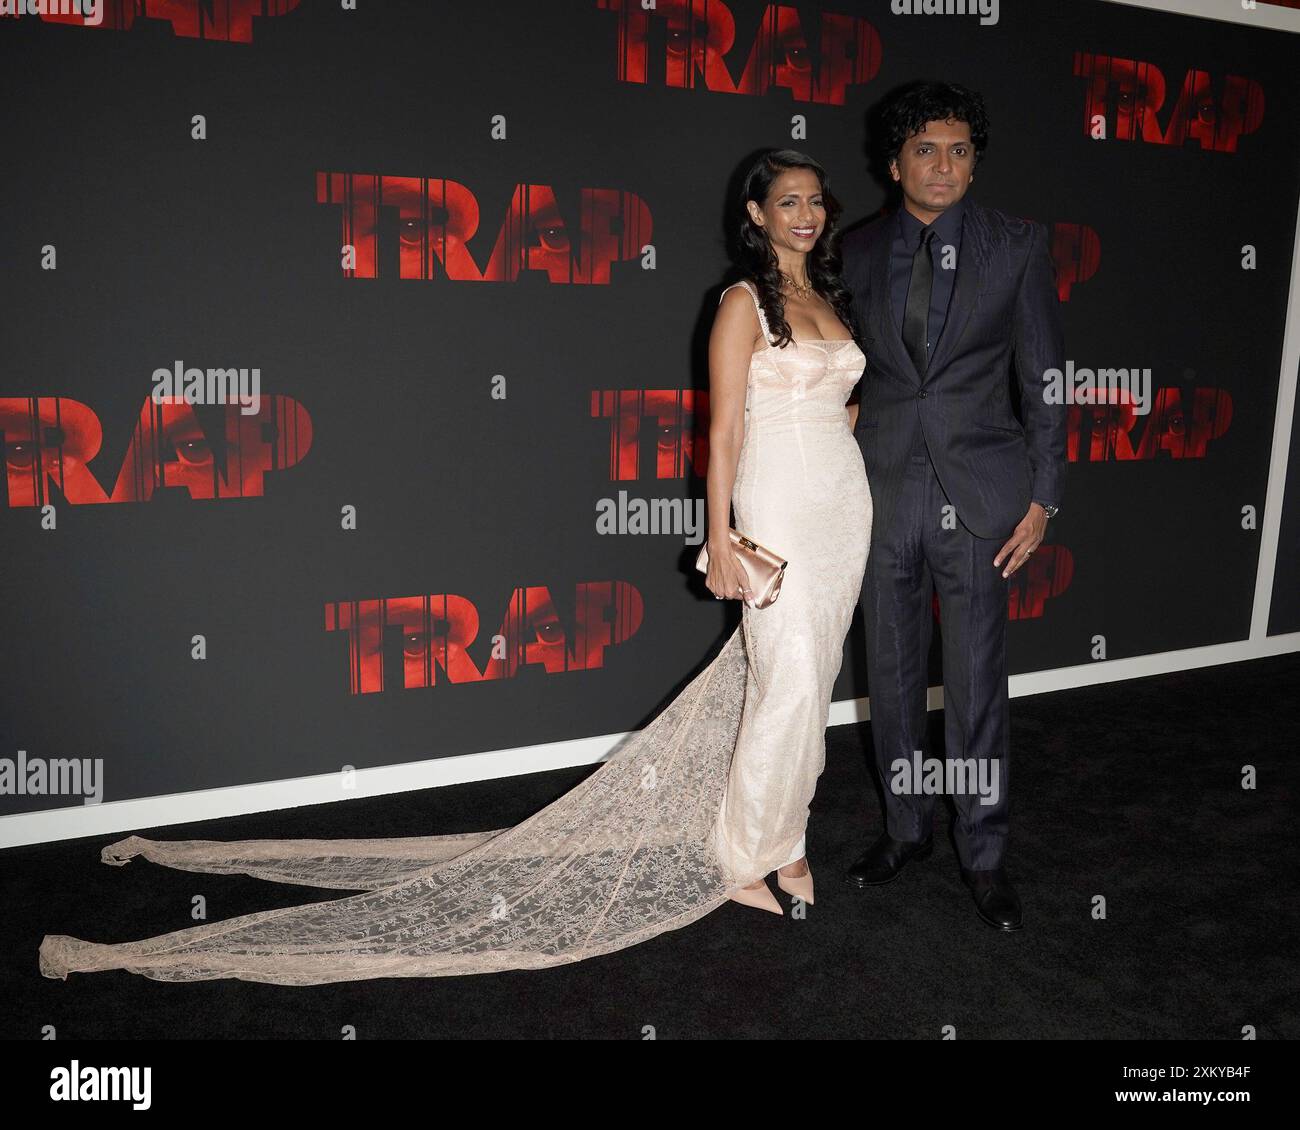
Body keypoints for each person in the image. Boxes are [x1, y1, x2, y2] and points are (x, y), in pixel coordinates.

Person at [37, 149, 871, 985]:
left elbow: (845, 403)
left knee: (811, 675)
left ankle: (778, 833)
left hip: (842, 506)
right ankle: (753, 855)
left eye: (814, 200)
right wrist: (719, 533)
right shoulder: (741, 304)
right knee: (788, 682)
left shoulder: (829, 299)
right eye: (786, 201)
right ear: (757, 214)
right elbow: (723, 429)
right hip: (779, 508)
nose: (804, 213)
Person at [839, 82, 1067, 931]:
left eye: (961, 149)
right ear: (894, 161)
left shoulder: (1017, 246)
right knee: (893, 681)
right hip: (882, 490)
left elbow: (1043, 375)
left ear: (976, 162)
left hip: (982, 496)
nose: (944, 165)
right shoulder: (854, 251)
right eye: (926, 149)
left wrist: (1044, 496)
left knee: (975, 687)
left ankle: (984, 851)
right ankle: (905, 829)